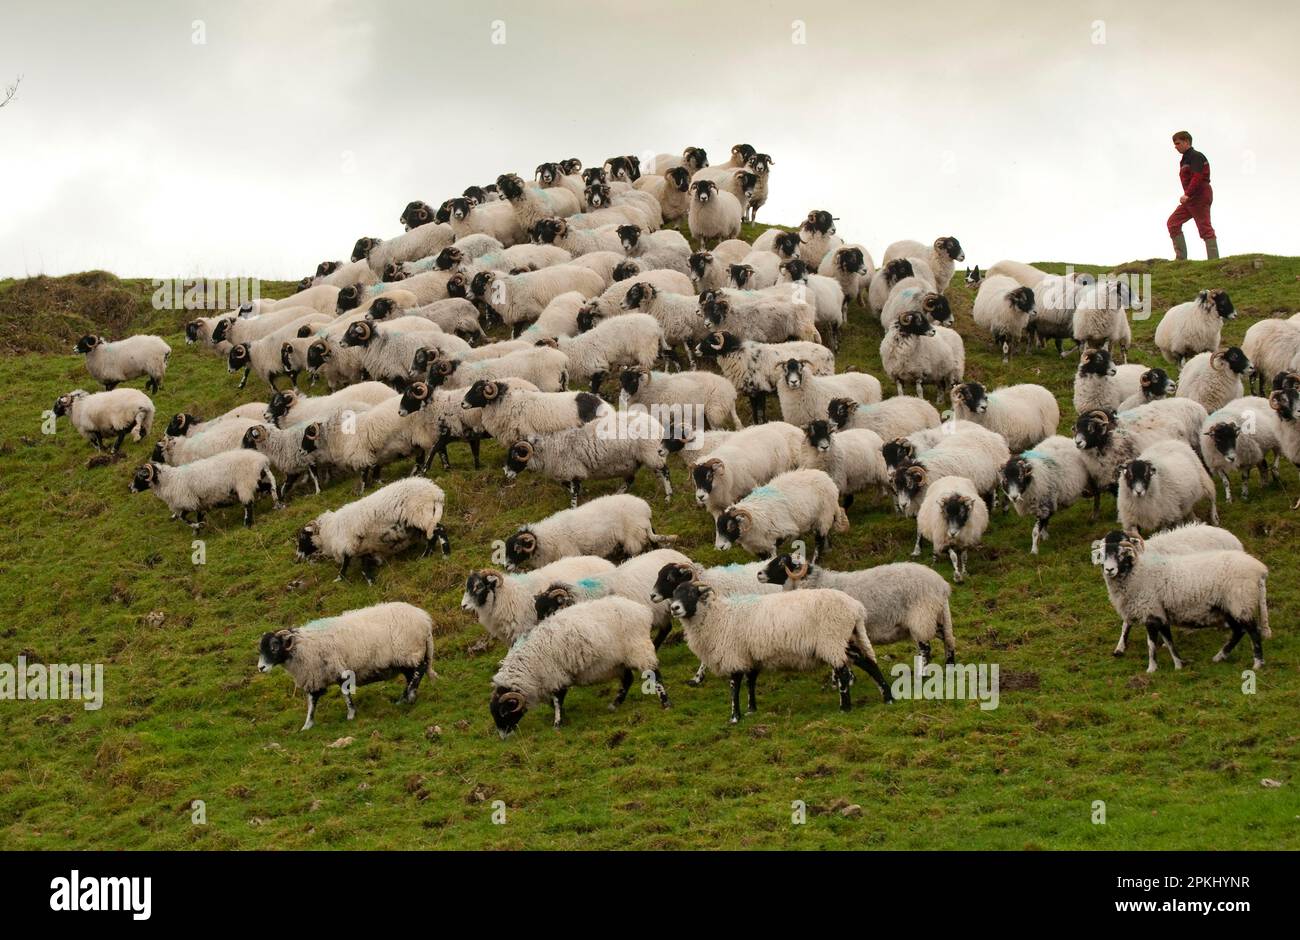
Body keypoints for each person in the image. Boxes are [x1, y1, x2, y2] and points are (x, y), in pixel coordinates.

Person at [1167, 131, 1217, 260]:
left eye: (1178, 143)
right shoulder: (1184, 160)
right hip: (1190, 199)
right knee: (1173, 223)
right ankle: (1181, 259)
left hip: (1199, 196)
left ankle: (1214, 261)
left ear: (1187, 142)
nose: (1175, 147)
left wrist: (1187, 194)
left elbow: (1197, 177)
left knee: (1204, 228)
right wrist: (1188, 196)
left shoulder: (1196, 156)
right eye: (1174, 144)